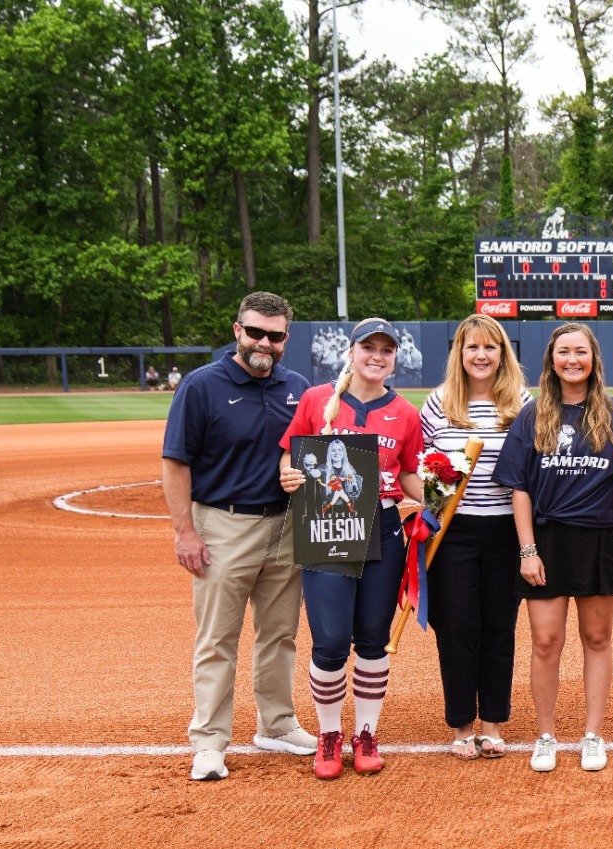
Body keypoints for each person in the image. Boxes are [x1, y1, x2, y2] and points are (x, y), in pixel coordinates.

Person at [161, 292, 316, 782]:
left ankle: (276, 723)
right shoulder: (202, 386)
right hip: (224, 524)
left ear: (285, 339)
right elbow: (175, 461)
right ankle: (209, 740)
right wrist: (185, 531)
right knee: (217, 637)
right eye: (255, 333)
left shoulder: (298, 386)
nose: (263, 344)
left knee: (280, 633)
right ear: (237, 331)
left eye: (274, 336)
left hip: (287, 525)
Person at [277, 318, 424, 781]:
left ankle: (365, 733)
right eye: (369, 347)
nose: (377, 356)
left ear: (394, 357)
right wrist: (288, 474)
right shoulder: (318, 400)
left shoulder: (404, 412)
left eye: (386, 349)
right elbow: (290, 453)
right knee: (332, 640)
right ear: (352, 351)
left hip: (382, 527)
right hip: (328, 526)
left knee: (372, 638)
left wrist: (442, 496)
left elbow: (409, 478)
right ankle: (328, 734)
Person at [500, 323, 613, 774]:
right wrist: (527, 550)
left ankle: (592, 734)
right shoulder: (532, 415)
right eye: (563, 352)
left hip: (599, 537)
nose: (572, 360)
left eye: (581, 352)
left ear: (593, 358)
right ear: (551, 361)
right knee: (545, 641)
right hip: (547, 540)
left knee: (597, 638)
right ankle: (546, 735)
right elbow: (518, 488)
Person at [420, 313, 530, 760]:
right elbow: (423, 470)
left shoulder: (520, 403)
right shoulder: (439, 402)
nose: (481, 355)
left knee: (498, 626)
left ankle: (492, 722)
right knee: (458, 625)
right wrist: (436, 491)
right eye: (472, 347)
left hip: (504, 528)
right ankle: (463, 722)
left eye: (490, 347)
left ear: (502, 353)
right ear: (459, 354)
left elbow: (529, 471)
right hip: (453, 532)